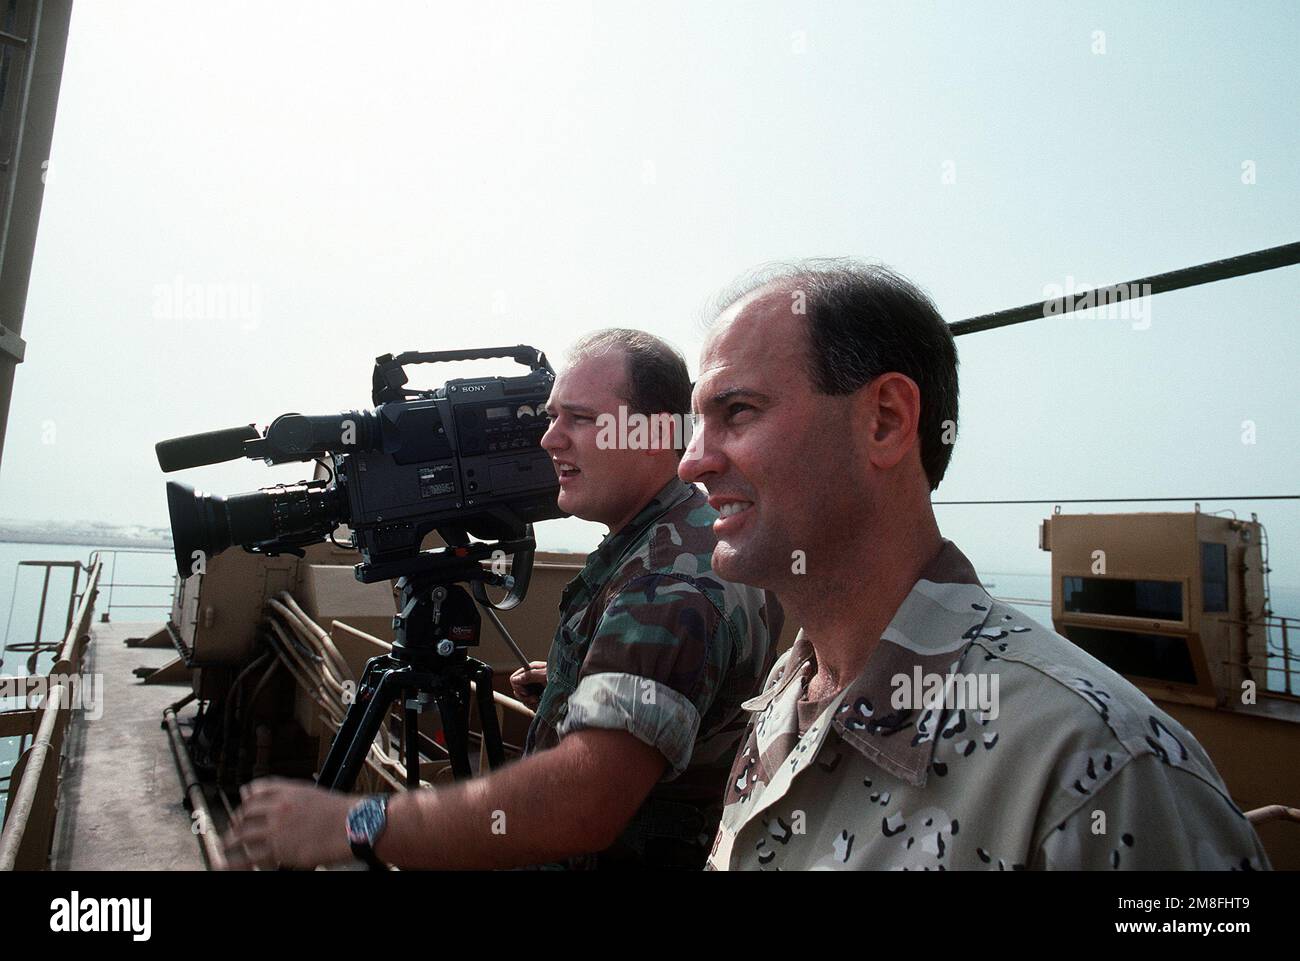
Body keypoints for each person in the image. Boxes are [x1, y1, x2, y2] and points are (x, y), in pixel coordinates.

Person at [678, 260, 1271, 870]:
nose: (691, 463)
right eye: (699, 423)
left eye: (739, 411)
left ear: (885, 420)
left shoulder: (1101, 767)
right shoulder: (789, 690)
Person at [222, 328, 782, 870]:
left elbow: (579, 807)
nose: (549, 439)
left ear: (657, 433)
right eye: (551, 416)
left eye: (581, 420)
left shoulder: (664, 588)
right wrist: (577, 691)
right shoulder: (695, 534)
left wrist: (349, 825)